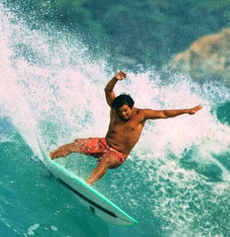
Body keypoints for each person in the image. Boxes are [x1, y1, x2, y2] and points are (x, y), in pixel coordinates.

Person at [49, 71, 202, 185]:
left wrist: (186, 110)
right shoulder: (115, 108)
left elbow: (164, 113)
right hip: (104, 143)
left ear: (131, 106)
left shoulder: (141, 114)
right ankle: (49, 157)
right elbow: (108, 91)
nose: (123, 113)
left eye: (126, 110)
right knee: (75, 145)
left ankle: (87, 185)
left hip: (118, 155)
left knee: (107, 159)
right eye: (120, 111)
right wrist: (115, 79)